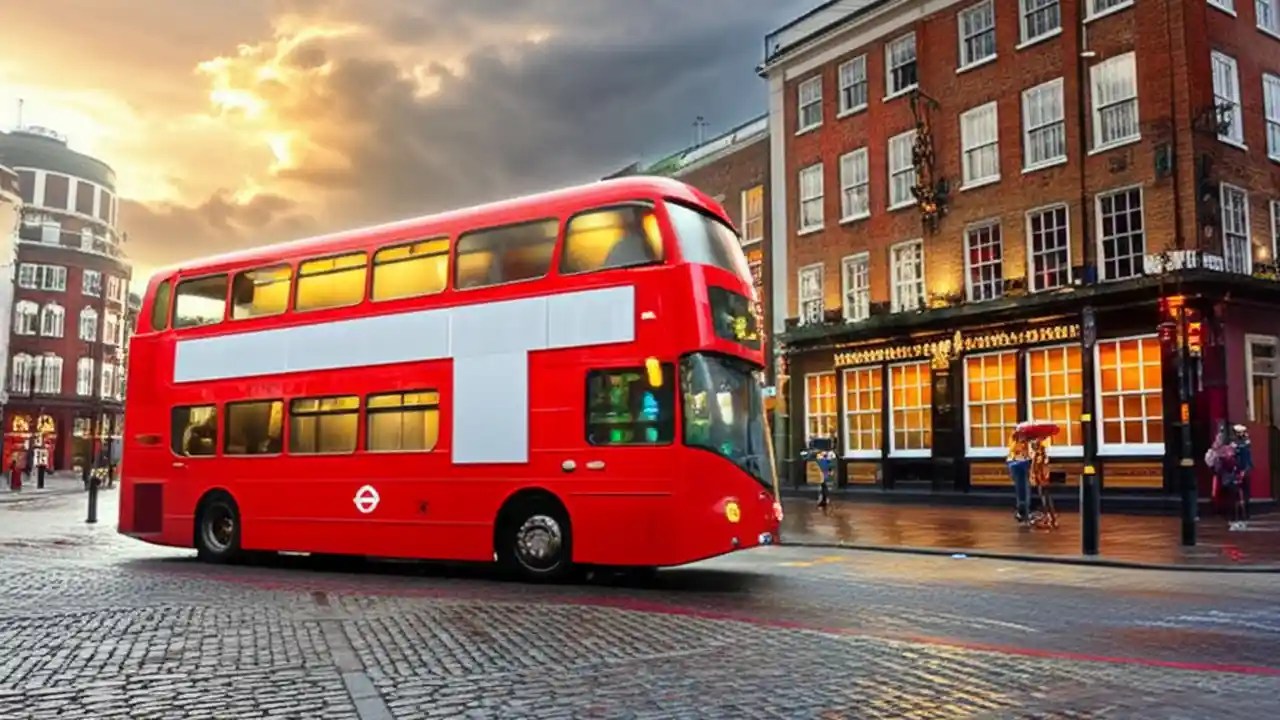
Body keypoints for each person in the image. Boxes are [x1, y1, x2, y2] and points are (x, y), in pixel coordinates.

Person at [1006, 430, 1031, 525]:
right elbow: (1012, 454)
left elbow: (1029, 455)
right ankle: (1021, 512)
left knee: (1025, 489)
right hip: (1016, 465)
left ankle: (1024, 512)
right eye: (1021, 436)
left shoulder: (1027, 444)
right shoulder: (1014, 443)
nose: (1023, 438)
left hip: (1024, 465)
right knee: (1020, 489)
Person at [1231, 424, 1252, 529]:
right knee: (1238, 496)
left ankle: (1243, 517)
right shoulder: (1239, 444)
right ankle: (1240, 517)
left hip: (1242, 472)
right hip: (1238, 472)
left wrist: (1243, 471)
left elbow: (1246, 460)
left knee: (1242, 496)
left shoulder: (1242, 445)